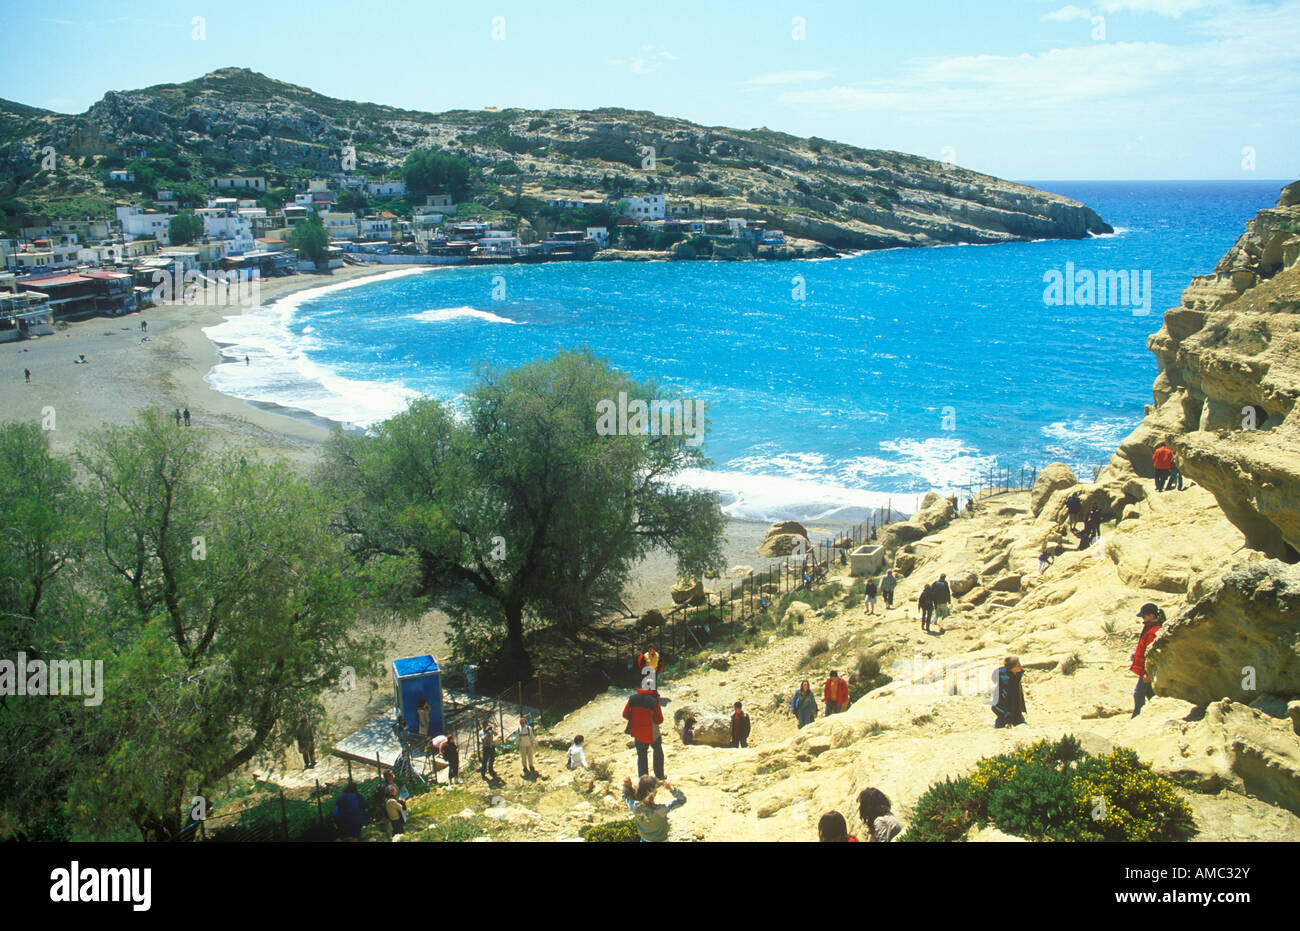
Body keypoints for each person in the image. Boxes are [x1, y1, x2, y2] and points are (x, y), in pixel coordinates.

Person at [621, 775, 685, 843]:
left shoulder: (634, 806)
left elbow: (624, 797)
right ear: (654, 792)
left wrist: (627, 786)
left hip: (644, 839)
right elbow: (682, 800)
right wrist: (672, 789)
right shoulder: (661, 810)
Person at [622, 686, 665, 780]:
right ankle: (659, 776)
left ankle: (643, 780)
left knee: (641, 755)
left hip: (638, 732)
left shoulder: (632, 698)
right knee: (657, 752)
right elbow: (659, 720)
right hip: (652, 733)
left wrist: (635, 719)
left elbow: (625, 714)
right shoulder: (654, 701)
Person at [1130, 602, 1165, 718]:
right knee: (1150, 692)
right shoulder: (1149, 627)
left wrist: (1147, 673)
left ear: (1151, 616)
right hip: (1145, 668)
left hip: (1147, 669)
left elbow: (1150, 653)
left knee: (1138, 693)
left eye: (1144, 616)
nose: (1143, 619)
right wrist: (1135, 656)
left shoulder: (1154, 631)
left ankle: (1136, 715)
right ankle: (1155, 713)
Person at [992, 656, 1026, 729]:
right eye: (1018, 665)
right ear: (1012, 668)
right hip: (1003, 708)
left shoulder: (1006, 671)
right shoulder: (1008, 683)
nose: (1021, 666)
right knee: (1002, 722)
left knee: (1018, 719)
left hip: (1010, 706)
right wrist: (1008, 720)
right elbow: (1008, 701)